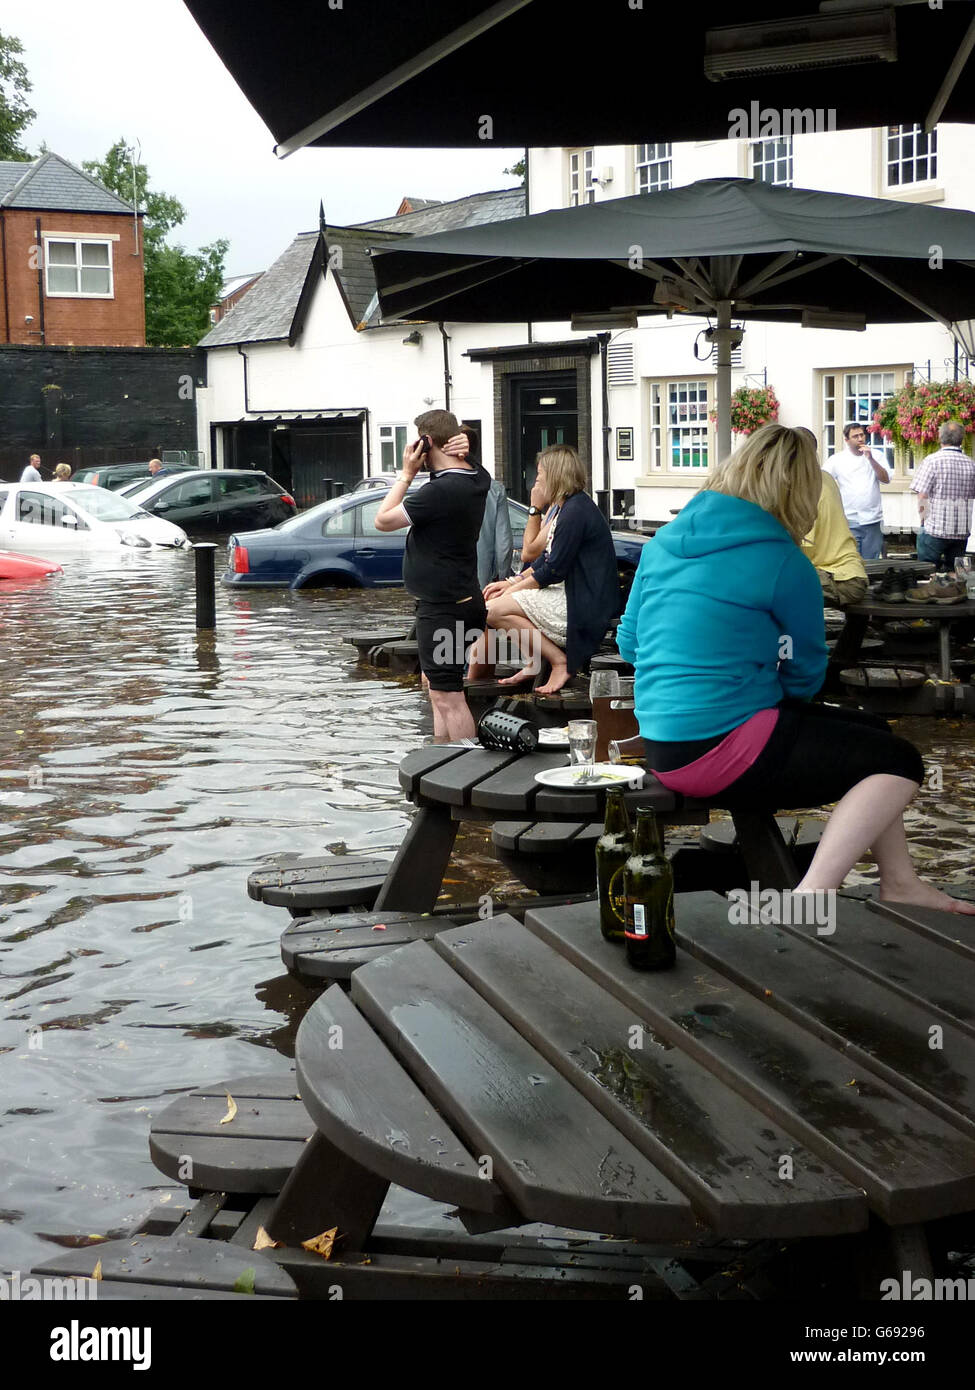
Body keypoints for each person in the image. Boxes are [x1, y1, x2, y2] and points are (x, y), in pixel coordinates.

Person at [617, 421, 975, 915]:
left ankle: (900, 881)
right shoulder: (784, 560)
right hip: (726, 747)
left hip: (661, 743)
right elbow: (806, 673)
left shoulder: (660, 545)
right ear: (800, 491)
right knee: (900, 761)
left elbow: (630, 642)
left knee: (874, 733)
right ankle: (810, 898)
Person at [374, 408, 490, 742]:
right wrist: (465, 445)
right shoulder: (476, 477)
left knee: (448, 696)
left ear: (427, 444)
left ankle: (465, 767)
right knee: (439, 688)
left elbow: (382, 520)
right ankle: (444, 760)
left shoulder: (439, 493)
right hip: (463, 600)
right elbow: (470, 460)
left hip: (444, 607)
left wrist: (406, 474)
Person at [470, 445, 620, 695]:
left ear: (555, 476)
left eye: (540, 476)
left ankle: (559, 662)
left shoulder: (576, 512)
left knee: (491, 610)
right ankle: (532, 662)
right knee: (494, 602)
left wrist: (513, 590)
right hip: (572, 594)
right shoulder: (566, 508)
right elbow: (542, 560)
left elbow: (553, 570)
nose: (535, 482)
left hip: (582, 604)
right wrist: (511, 582)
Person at [798, 430, 868, 606]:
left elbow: (802, 546)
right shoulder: (824, 477)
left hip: (839, 579)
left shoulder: (806, 485)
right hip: (850, 574)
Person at [910, 420, 975, 570]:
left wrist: (922, 520)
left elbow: (922, 495)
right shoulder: (971, 464)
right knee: (955, 573)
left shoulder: (932, 461)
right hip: (961, 530)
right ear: (961, 439)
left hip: (934, 529)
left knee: (926, 571)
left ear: (940, 438)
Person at [823, 423, 890, 559]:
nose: (860, 439)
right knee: (851, 560)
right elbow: (823, 481)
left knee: (871, 562)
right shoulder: (837, 459)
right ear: (847, 440)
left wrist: (871, 459)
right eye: (855, 436)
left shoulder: (876, 455)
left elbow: (885, 479)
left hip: (872, 519)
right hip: (849, 519)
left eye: (862, 435)